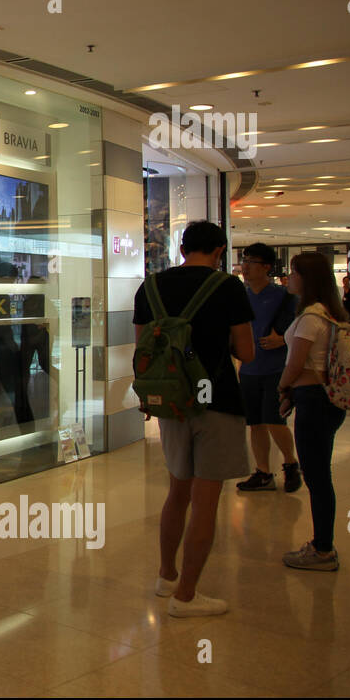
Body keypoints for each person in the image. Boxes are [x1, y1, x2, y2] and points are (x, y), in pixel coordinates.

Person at [133, 220, 254, 617]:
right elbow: (247, 351)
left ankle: (166, 576)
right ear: (219, 251)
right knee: (206, 502)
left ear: (182, 247)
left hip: (171, 404)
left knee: (177, 493)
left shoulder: (150, 287)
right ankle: (187, 595)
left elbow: (143, 350)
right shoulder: (228, 287)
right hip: (215, 399)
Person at [278, 252, 348, 571]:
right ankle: (323, 546)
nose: (289, 278)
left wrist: (282, 387)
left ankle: (322, 550)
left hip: (313, 399)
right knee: (320, 474)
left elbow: (296, 363)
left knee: (317, 476)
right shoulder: (329, 313)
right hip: (323, 399)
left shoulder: (310, 318)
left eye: (293, 273)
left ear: (307, 279)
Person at [235, 243, 301, 493]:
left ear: (266, 267)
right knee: (255, 424)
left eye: (251, 262)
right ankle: (263, 471)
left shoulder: (284, 297)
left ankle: (290, 462)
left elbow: (299, 332)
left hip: (276, 369)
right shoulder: (241, 295)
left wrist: (281, 339)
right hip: (249, 369)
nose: (245, 267)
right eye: (245, 260)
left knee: (275, 421)